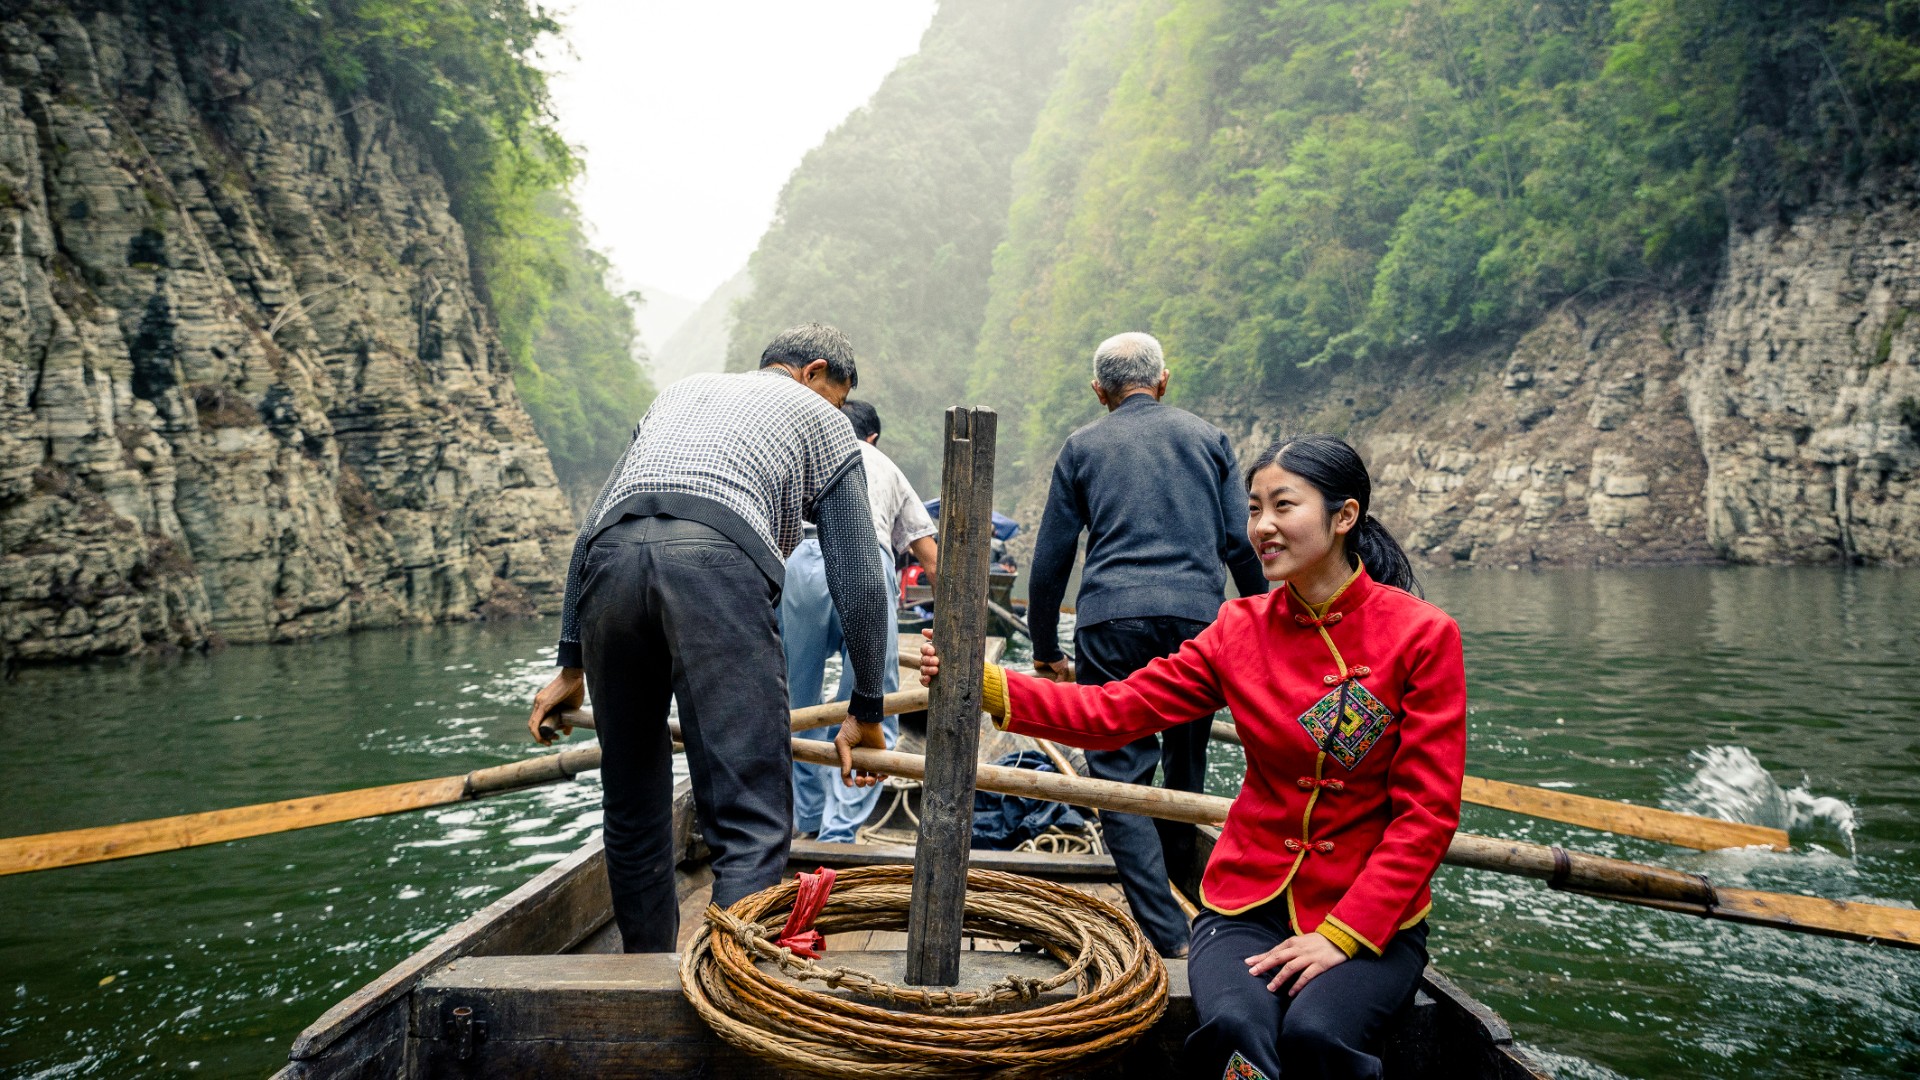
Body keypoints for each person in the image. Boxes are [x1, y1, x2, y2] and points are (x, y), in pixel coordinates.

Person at [919, 434, 1465, 1080]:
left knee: (1319, 1034)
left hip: (1371, 919)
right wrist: (984, 685)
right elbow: (1113, 711)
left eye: (1283, 507)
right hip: (1243, 906)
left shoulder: (1422, 636)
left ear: (1344, 517)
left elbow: (1426, 815)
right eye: (1254, 507)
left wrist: (1340, 935)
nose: (1261, 526)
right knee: (1237, 1033)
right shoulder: (1239, 629)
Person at [526, 323, 894, 953]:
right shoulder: (823, 418)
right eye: (837, 393)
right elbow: (857, 571)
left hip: (611, 565)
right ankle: (730, 985)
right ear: (815, 372)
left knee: (632, 798)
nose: (835, 406)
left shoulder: (680, 392)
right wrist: (866, 707)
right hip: (715, 566)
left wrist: (570, 664)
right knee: (748, 814)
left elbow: (592, 525)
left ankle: (644, 971)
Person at [1024, 331, 1268, 958]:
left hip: (1110, 623)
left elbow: (1052, 558)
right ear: (1163, 381)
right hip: (1198, 620)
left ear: (1098, 392)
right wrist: (1268, 620)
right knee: (1186, 764)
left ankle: (1167, 934)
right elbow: (1241, 545)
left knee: (1118, 769)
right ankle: (1196, 900)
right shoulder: (1209, 439)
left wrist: (1047, 647)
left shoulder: (1082, 446)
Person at [785, 399, 939, 843]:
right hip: (864, 565)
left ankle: (808, 820)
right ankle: (838, 831)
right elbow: (930, 559)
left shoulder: (804, 456)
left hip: (798, 566)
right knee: (873, 701)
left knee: (797, 702)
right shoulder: (882, 463)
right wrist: (948, 636)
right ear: (871, 436)